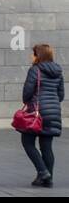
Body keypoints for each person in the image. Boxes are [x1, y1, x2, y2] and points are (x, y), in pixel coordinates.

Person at [20, 43, 63, 187]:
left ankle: (43, 171)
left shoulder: (35, 70)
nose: (31, 56)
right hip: (54, 112)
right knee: (46, 146)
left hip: (37, 112)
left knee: (27, 142)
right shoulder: (58, 71)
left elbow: (27, 92)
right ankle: (47, 179)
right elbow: (60, 95)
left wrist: (28, 102)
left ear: (38, 55)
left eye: (33, 53)